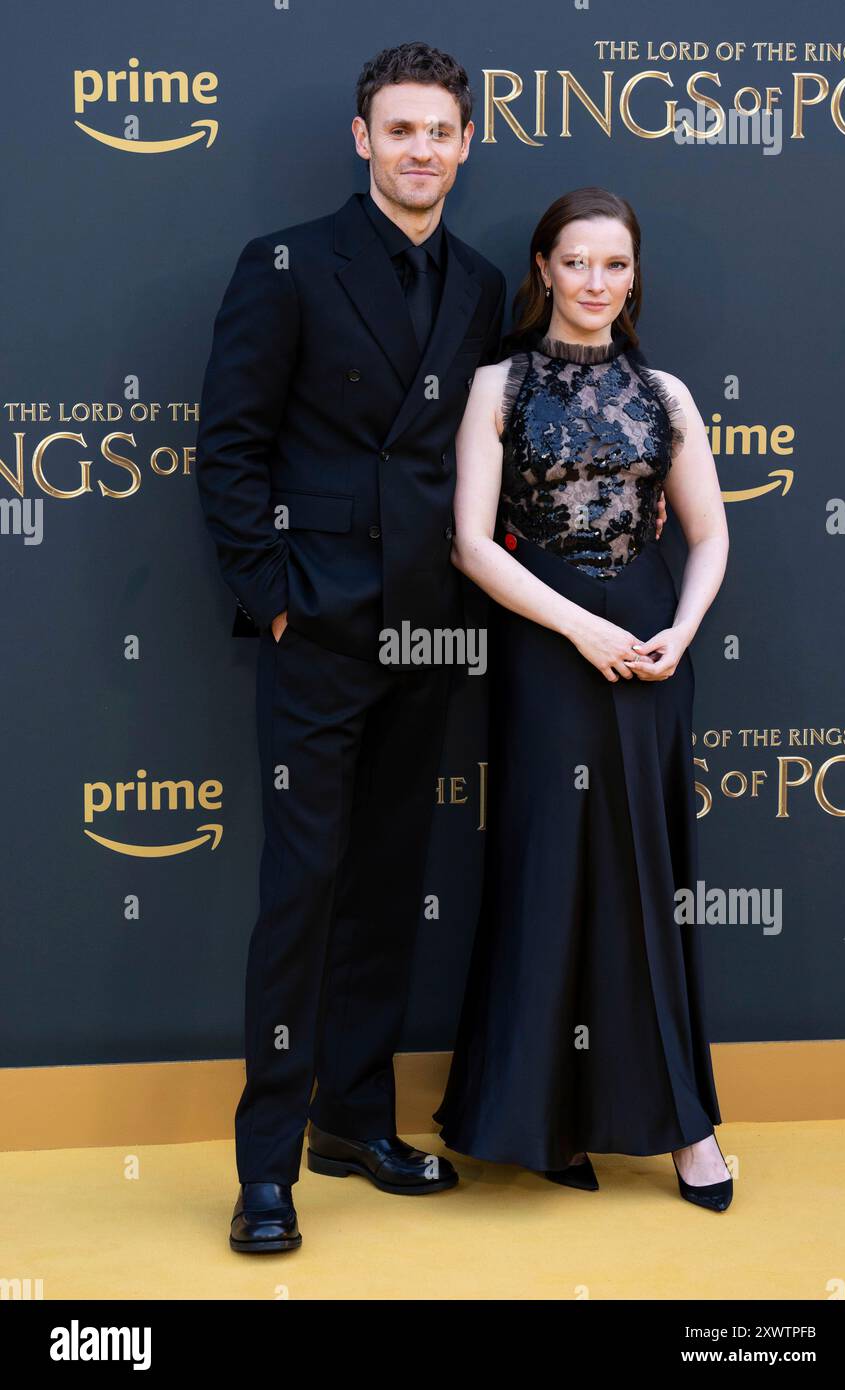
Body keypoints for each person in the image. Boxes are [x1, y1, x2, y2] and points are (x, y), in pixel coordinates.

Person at [195, 42, 511, 1253]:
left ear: (465, 143)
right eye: (399, 129)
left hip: (431, 624)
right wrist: (275, 594)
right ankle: (266, 1164)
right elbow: (228, 446)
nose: (421, 148)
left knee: (387, 885)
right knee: (303, 890)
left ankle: (357, 1123)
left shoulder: (480, 283)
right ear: (360, 138)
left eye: (440, 130)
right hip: (317, 621)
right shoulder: (283, 264)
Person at [432, 187, 734, 1213]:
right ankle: (539, 1121)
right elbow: (470, 542)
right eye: (576, 263)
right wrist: (575, 626)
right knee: (544, 871)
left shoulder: (668, 393)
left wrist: (678, 631)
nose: (595, 284)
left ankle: (686, 1129)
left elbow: (710, 535)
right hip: (542, 640)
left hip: (650, 639)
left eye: (613, 265)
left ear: (631, 274)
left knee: (643, 879)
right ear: (542, 268)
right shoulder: (495, 384)